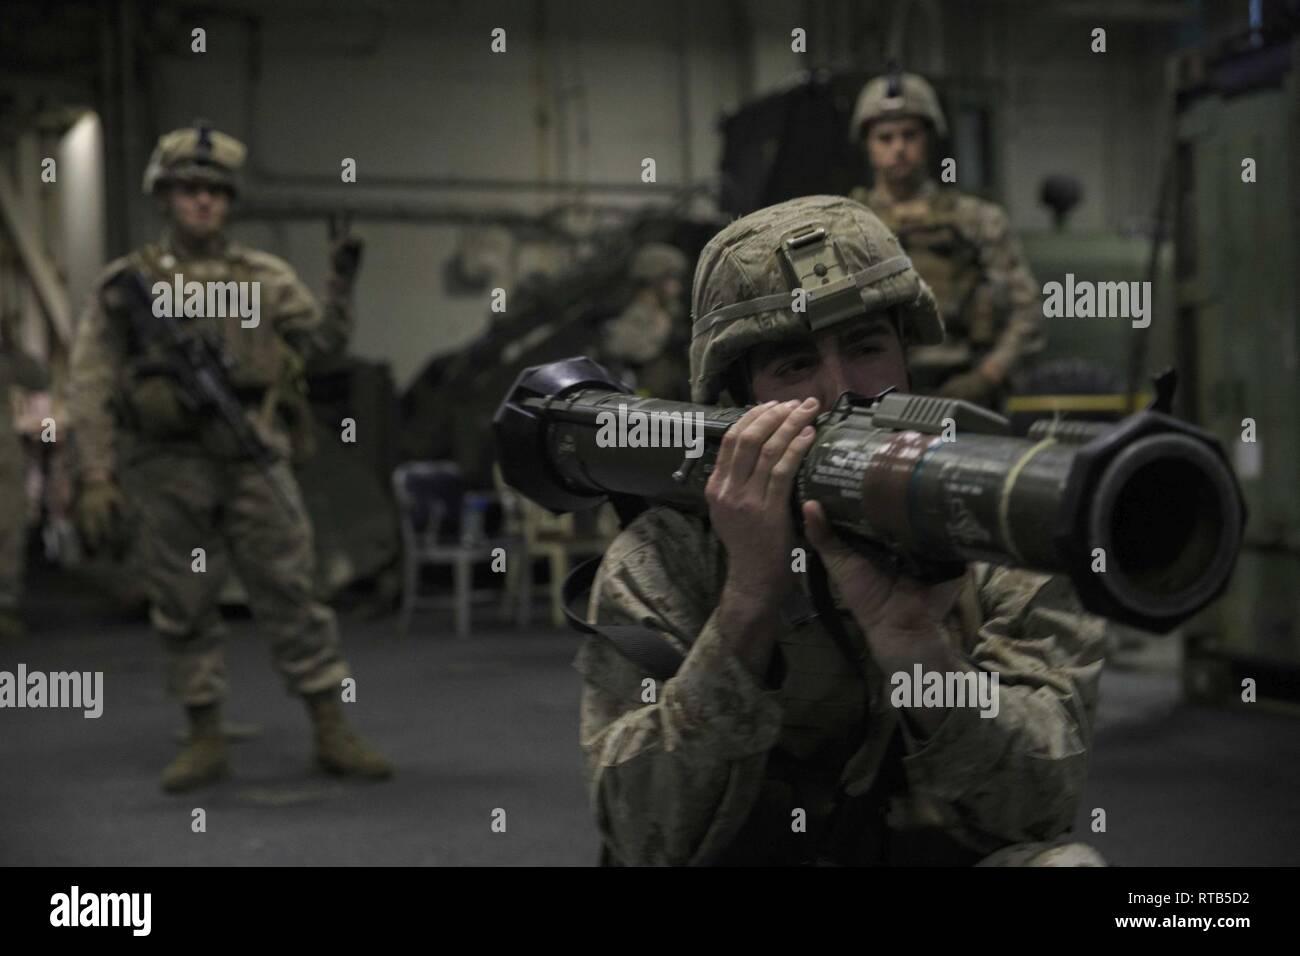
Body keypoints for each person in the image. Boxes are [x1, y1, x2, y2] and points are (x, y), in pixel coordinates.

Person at [576, 195, 1106, 866]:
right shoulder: (665, 556)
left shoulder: (995, 529)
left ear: (908, 360)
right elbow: (641, 835)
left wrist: (918, 652)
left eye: (866, 347)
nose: (841, 392)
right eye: (794, 366)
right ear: (739, 406)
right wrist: (747, 605)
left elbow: (1039, 805)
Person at [67, 120, 391, 792]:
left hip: (251, 455)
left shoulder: (266, 278)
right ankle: (204, 734)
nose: (204, 202)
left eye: (216, 191)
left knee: (294, 592)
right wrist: (94, 475)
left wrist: (340, 285)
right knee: (183, 601)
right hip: (168, 464)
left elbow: (325, 347)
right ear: (164, 197)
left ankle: (331, 726)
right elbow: (92, 380)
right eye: (189, 189)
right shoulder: (128, 283)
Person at [849, 71, 1044, 407]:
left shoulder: (977, 220)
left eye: (910, 135)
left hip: (963, 389)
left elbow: (1026, 310)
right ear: (868, 145)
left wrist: (988, 376)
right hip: (876, 395)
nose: (898, 148)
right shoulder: (848, 223)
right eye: (885, 137)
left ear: (929, 138)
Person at [0, 330, 49, 639]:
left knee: (9, 528)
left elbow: (39, 378)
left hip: (4, 453)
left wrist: (11, 345)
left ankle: (5, 604)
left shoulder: (6, 353)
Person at [599, 243, 691, 402]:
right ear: (655, 280)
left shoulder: (670, 312)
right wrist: (659, 332)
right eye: (672, 278)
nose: (678, 286)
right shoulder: (637, 315)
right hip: (647, 404)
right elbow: (620, 350)